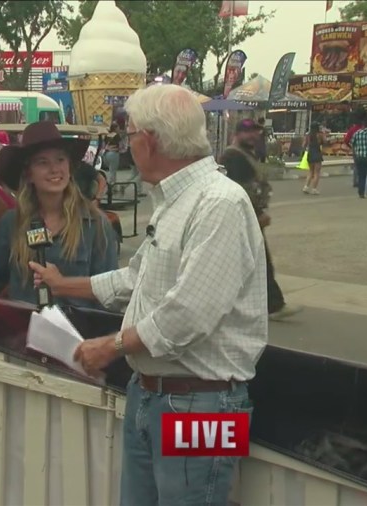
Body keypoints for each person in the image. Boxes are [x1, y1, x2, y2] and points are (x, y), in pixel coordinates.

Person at [29, 85, 267, 505]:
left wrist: (112, 345)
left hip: (204, 402)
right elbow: (136, 279)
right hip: (154, 393)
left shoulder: (220, 203)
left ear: (150, 140)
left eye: (130, 134)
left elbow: (188, 314)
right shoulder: (177, 201)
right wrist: (63, 283)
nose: (127, 144)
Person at [0, 121, 119, 309]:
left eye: (60, 160)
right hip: (23, 333)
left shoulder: (96, 224)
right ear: (29, 174)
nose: (55, 169)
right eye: (43, 162)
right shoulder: (12, 223)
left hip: (79, 335)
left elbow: (110, 293)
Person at [220, 118, 301, 320]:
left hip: (247, 216)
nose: (253, 135)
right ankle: (273, 305)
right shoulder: (234, 156)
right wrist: (257, 214)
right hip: (244, 216)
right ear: (237, 134)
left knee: (250, 260)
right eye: (247, 132)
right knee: (259, 260)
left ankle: (265, 304)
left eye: (255, 132)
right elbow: (240, 189)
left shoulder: (247, 154)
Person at [302, 123, 325, 195]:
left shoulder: (308, 135)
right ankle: (314, 189)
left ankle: (306, 187)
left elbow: (303, 145)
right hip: (317, 153)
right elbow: (325, 141)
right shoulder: (320, 135)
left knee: (310, 171)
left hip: (310, 153)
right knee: (317, 173)